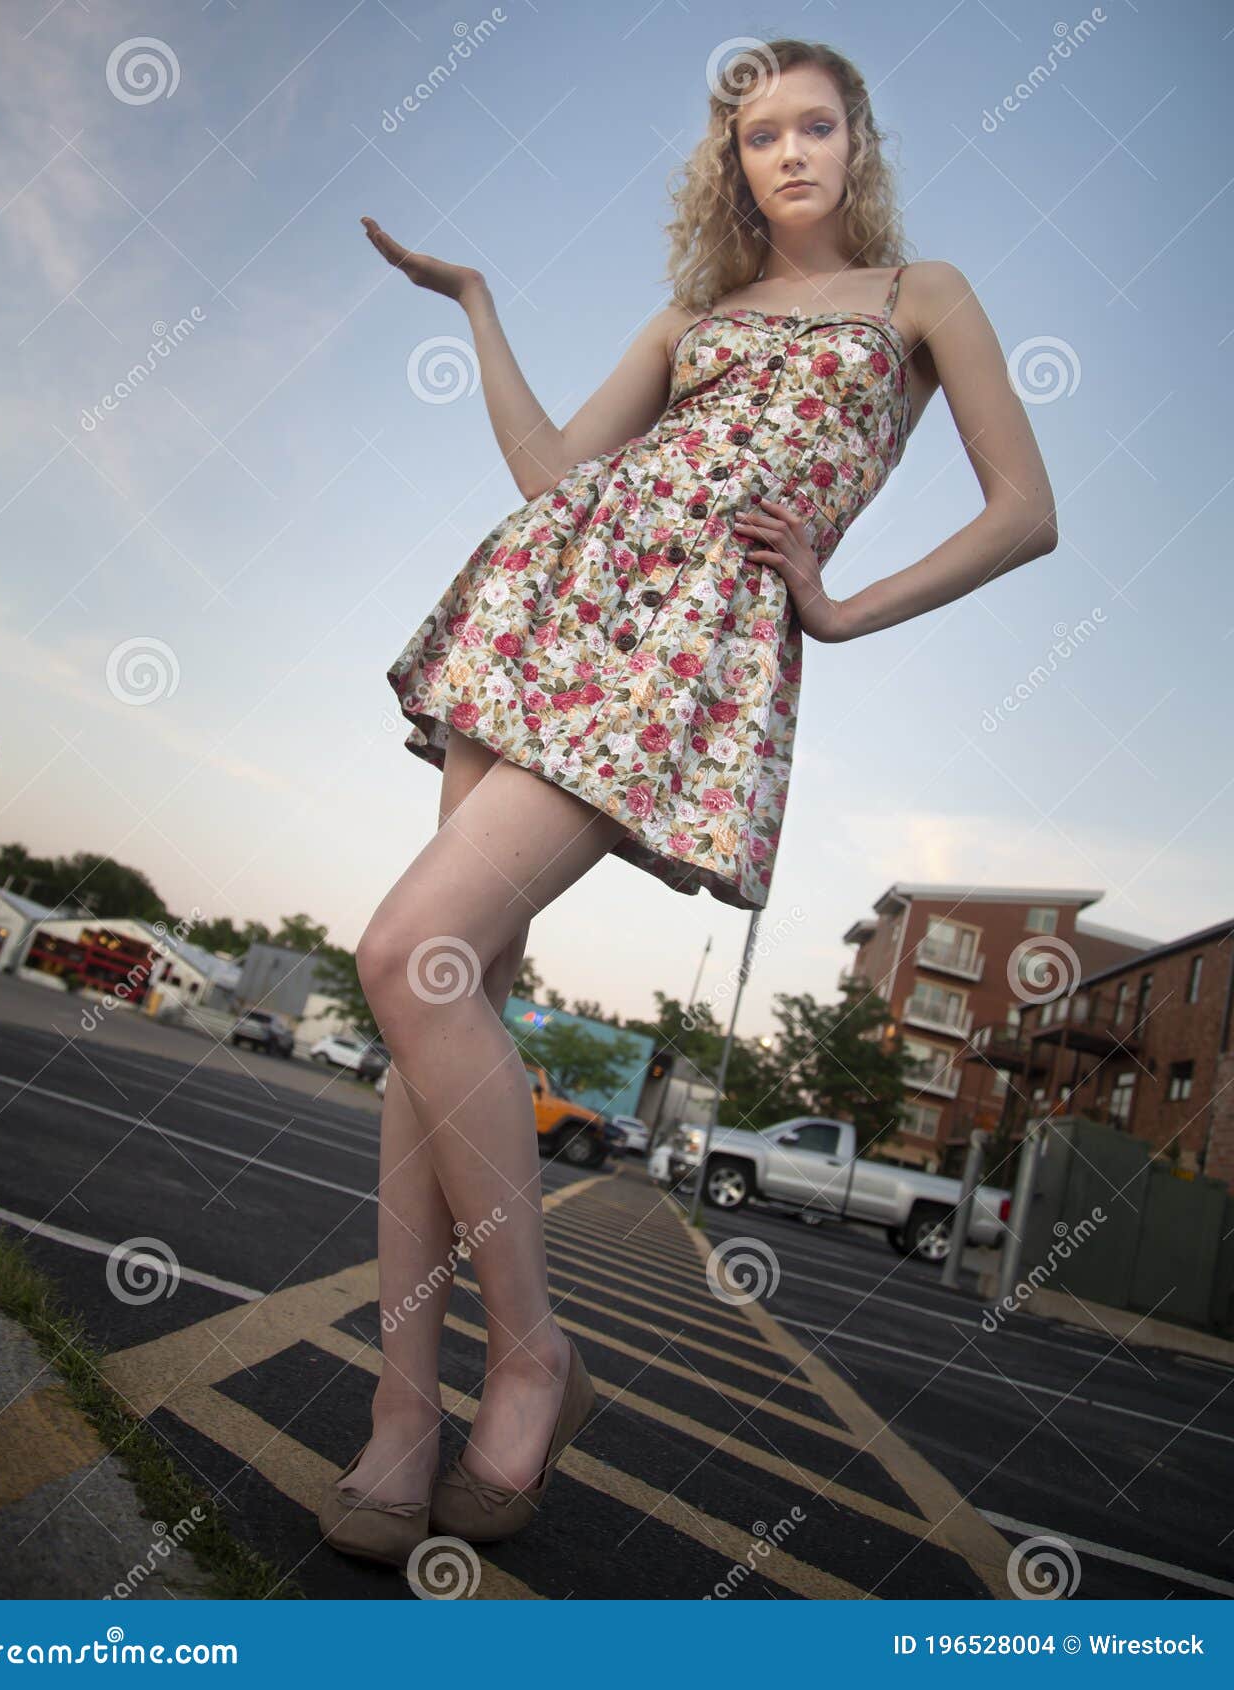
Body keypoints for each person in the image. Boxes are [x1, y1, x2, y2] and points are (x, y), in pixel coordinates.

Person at [318, 36, 1057, 1567]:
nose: (789, 153)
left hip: (690, 649)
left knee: (407, 952)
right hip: (553, 600)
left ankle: (534, 1354)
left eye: (817, 126)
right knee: (433, 1000)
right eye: (758, 133)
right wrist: (477, 308)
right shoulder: (695, 314)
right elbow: (553, 478)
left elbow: (1025, 511)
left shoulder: (925, 298)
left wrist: (841, 611)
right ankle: (402, 1408)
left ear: (859, 143)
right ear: (730, 163)